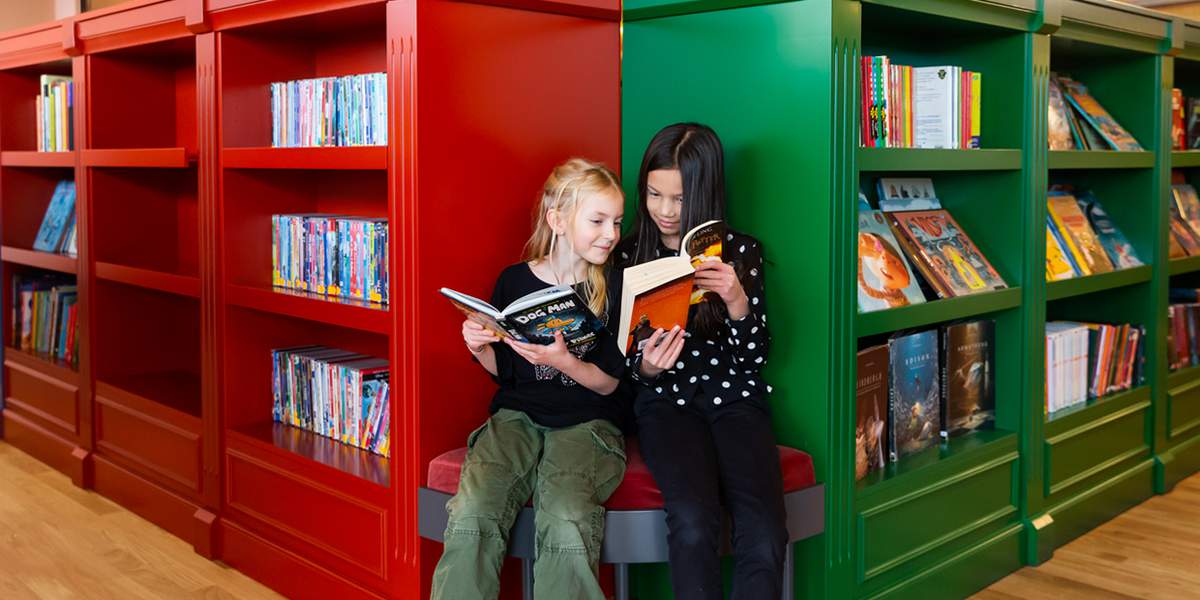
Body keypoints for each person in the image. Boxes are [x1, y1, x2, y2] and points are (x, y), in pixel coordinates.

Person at [431, 158, 628, 600]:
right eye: (597, 220)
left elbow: (611, 385)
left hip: (589, 422)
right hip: (517, 416)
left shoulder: (614, 286)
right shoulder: (514, 280)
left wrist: (565, 362)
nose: (611, 233)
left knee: (565, 514)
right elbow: (506, 373)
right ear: (557, 221)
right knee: (474, 508)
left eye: (616, 222)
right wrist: (479, 346)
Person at [613, 123, 787, 599]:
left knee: (764, 530)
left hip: (735, 400)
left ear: (705, 194)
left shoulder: (742, 252)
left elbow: (753, 358)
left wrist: (736, 301)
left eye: (680, 198)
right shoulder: (627, 255)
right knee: (692, 521)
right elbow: (620, 361)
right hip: (665, 403)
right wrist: (646, 368)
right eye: (654, 195)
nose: (666, 211)